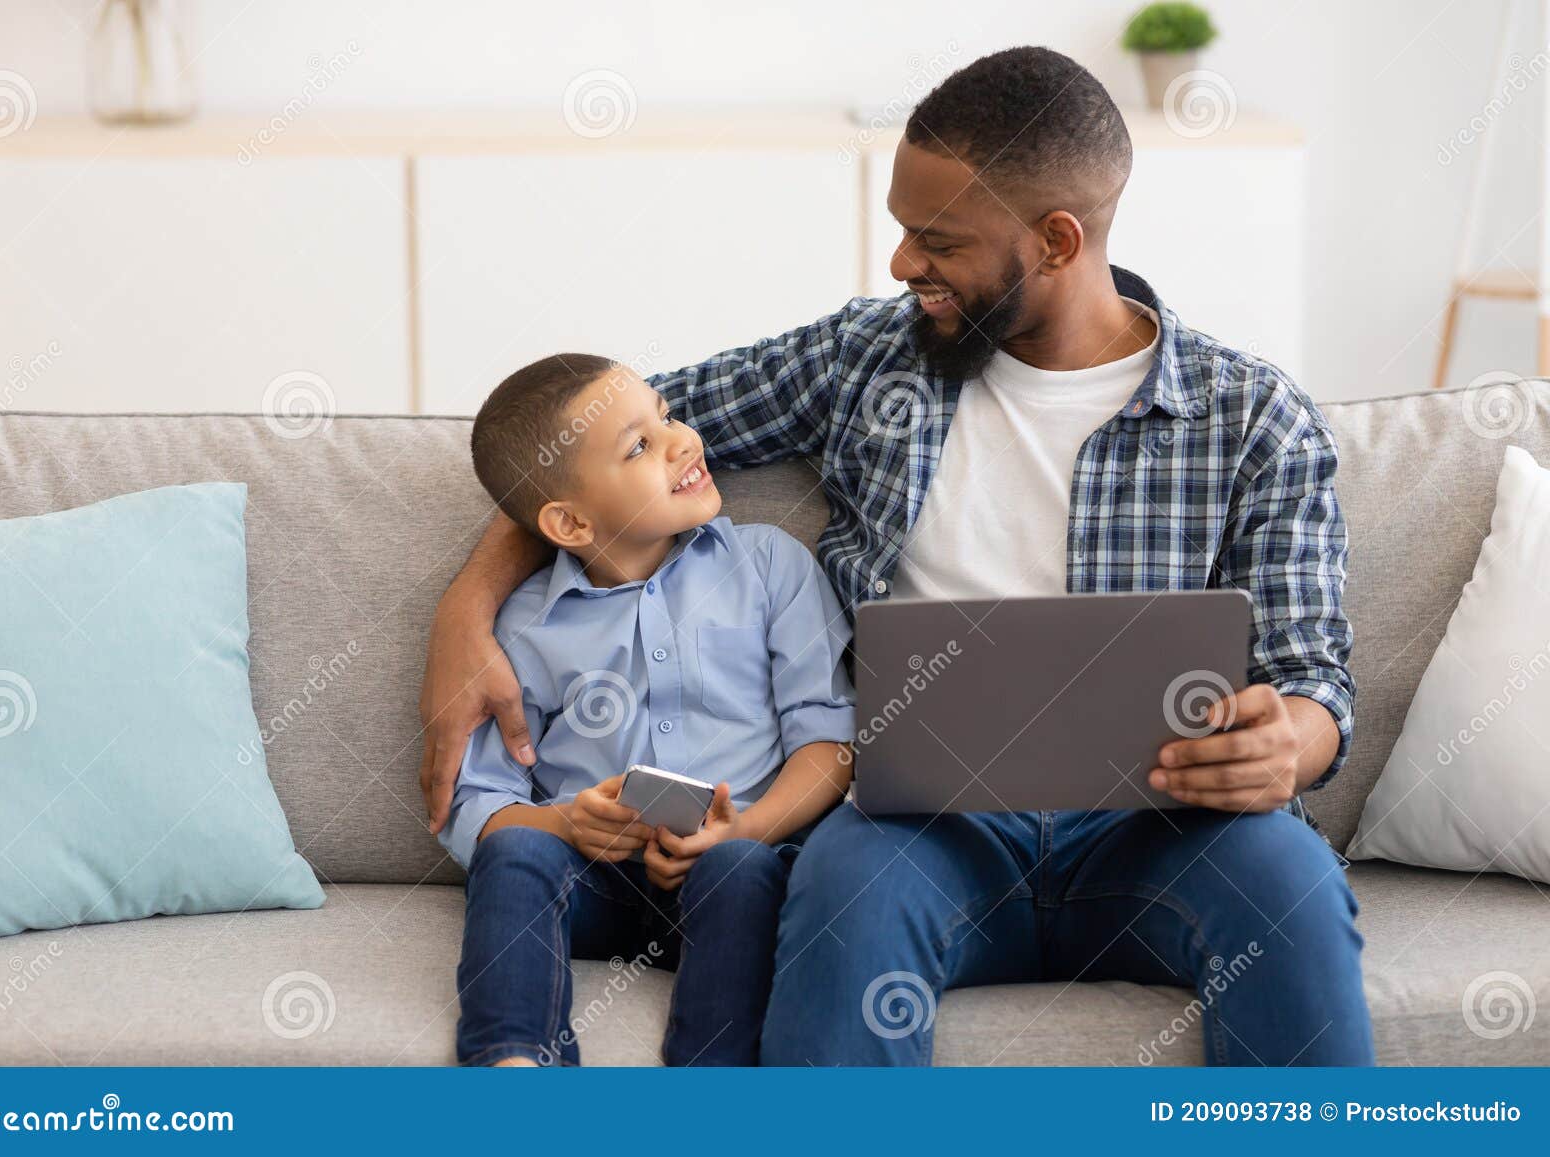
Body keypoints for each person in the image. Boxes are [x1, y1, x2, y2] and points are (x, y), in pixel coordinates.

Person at [422, 46, 1373, 1066]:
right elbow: (586, 450)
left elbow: (1312, 675)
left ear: (1056, 240)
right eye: (900, 229)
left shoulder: (1254, 418)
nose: (900, 265)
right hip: (919, 828)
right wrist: (465, 614)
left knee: (1293, 887)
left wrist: (1293, 739)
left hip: (1167, 829)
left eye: (936, 239)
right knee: (844, 893)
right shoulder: (865, 356)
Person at [439, 353, 854, 1066]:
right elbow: (478, 798)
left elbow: (831, 743)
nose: (684, 440)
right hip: (592, 875)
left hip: (733, 868)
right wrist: (564, 821)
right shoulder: (525, 627)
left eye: (666, 415)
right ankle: (513, 1063)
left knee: (744, 873)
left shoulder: (769, 566)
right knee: (514, 853)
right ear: (569, 521)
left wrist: (744, 829)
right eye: (640, 445)